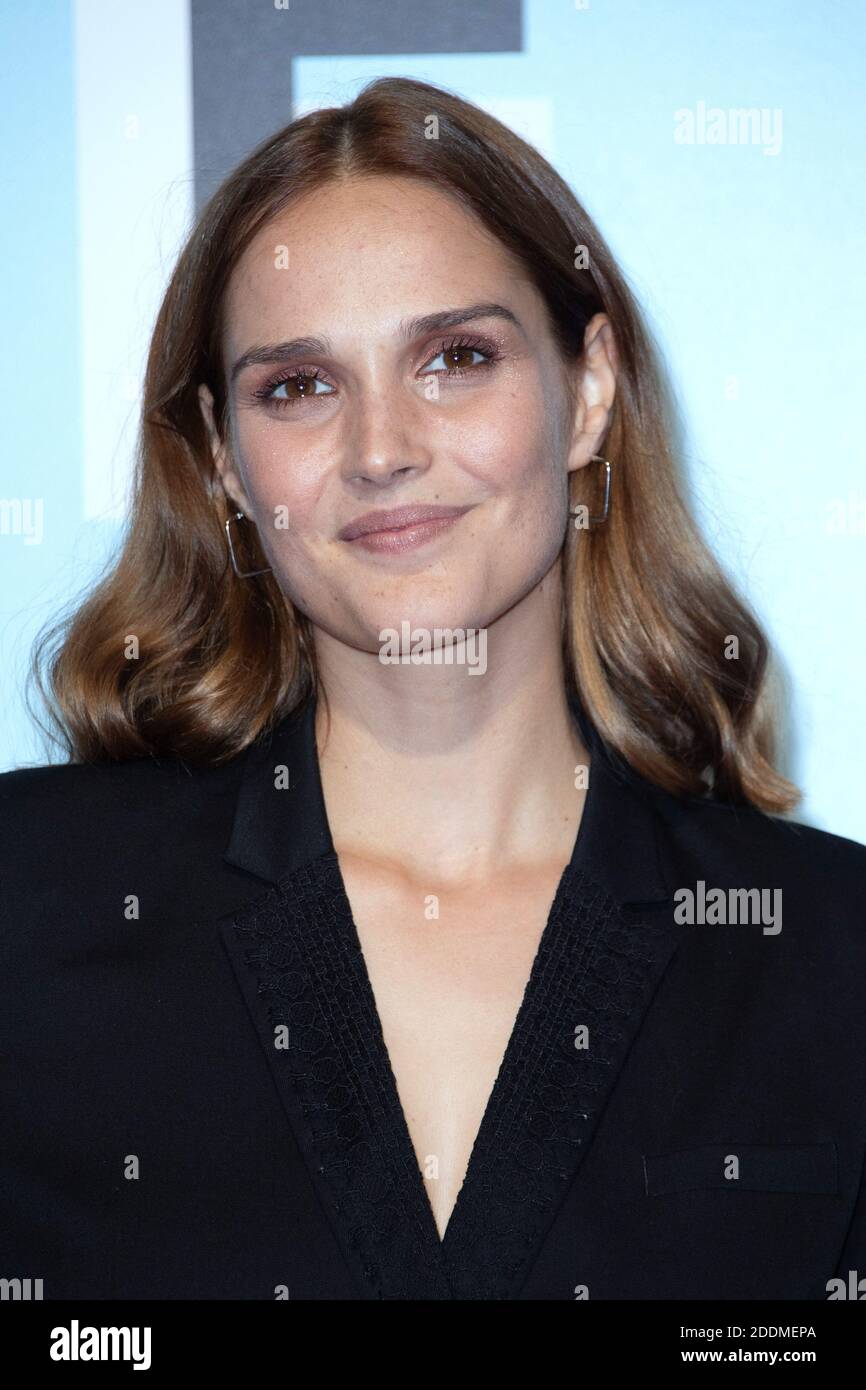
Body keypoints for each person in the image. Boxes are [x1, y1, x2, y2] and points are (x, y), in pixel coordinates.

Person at [1, 76, 864, 1302]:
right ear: (223, 461)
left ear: (590, 391)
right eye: (298, 385)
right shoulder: (27, 905)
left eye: (456, 358)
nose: (379, 448)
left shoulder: (827, 947)